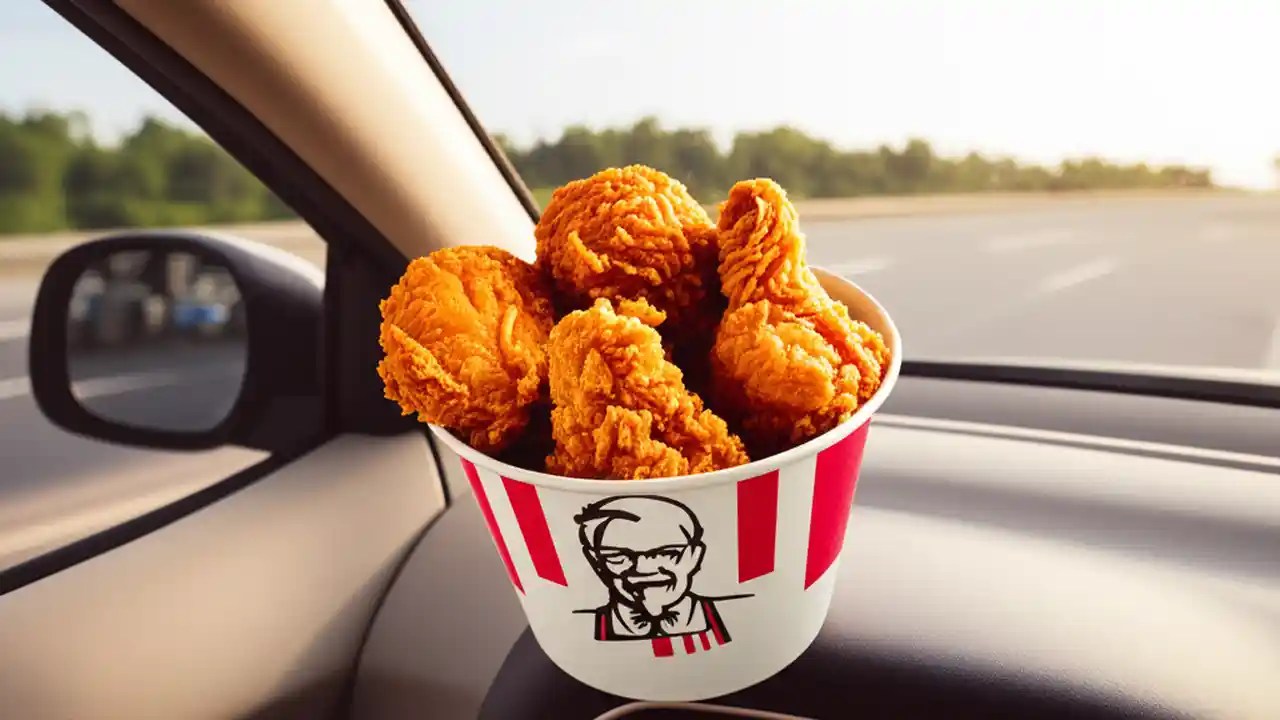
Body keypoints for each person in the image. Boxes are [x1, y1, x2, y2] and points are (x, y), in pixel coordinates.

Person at [574, 495, 732, 643]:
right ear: (596, 561)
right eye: (619, 556)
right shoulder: (577, 627)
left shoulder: (734, 613)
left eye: (667, 553)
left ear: (694, 555)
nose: (645, 570)